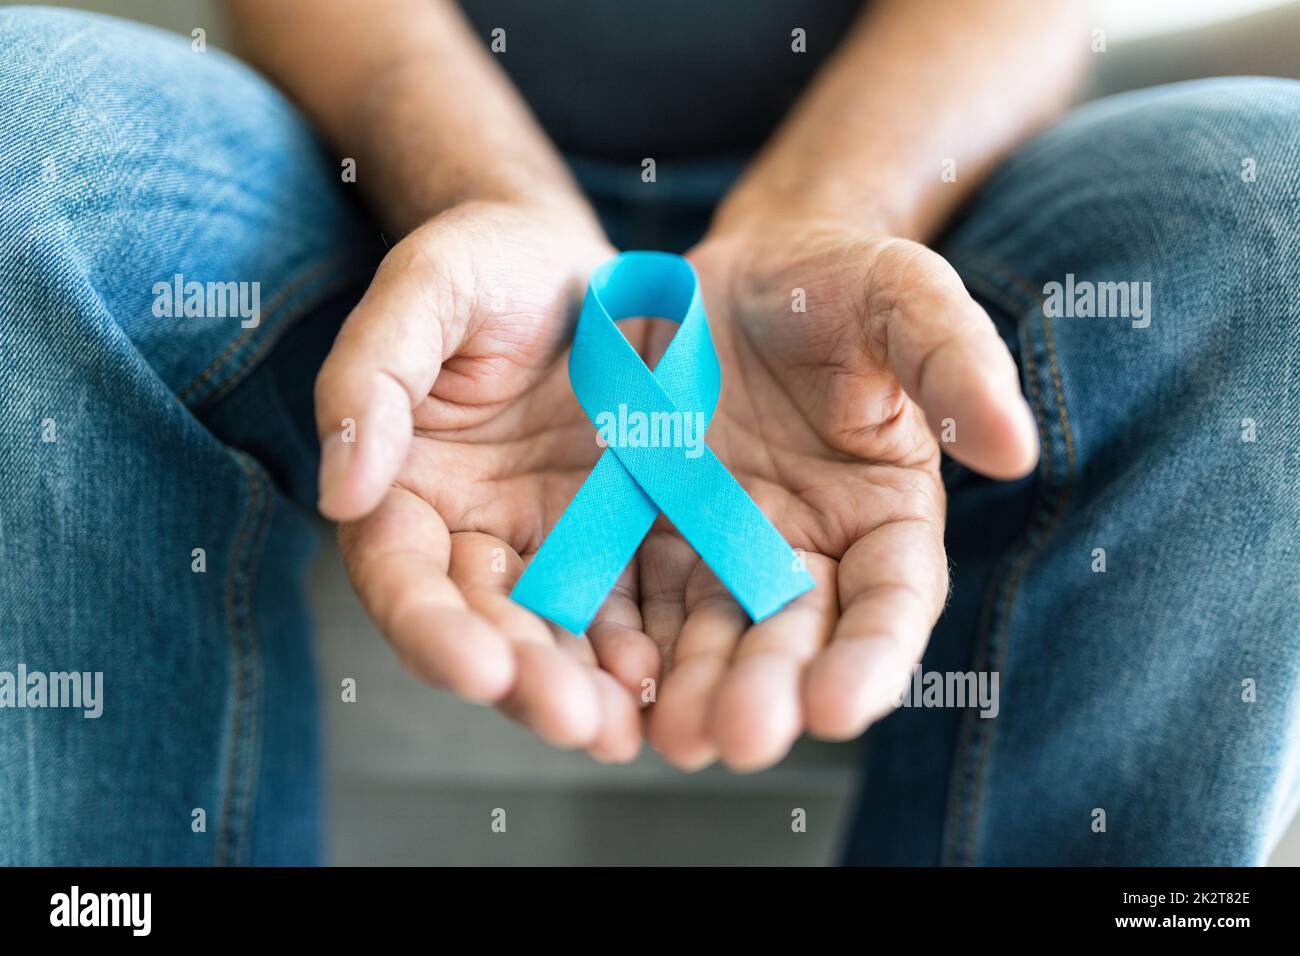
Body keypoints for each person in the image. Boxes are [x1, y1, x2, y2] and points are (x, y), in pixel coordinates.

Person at [0, 0, 1295, 866]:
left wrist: (824, 221)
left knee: (1269, 199)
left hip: (915, 183)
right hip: (375, 172)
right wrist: (490, 195)